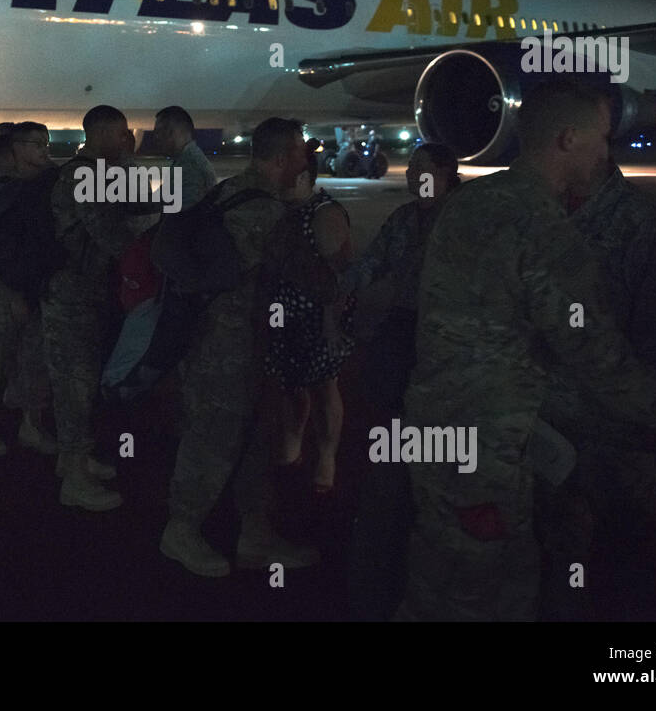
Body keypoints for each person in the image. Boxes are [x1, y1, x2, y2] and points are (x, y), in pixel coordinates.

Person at [396, 79, 656, 622]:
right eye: (601, 138)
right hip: (495, 455)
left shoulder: (468, 203)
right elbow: (603, 363)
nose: (606, 151)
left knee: (437, 582)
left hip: (437, 435)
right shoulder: (544, 229)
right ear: (568, 139)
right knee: (492, 598)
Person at [160, 117, 321, 577]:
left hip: (214, 340)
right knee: (212, 440)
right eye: (299, 152)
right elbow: (311, 277)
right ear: (280, 158)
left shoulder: (229, 190)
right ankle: (181, 529)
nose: (305, 158)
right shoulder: (269, 213)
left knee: (249, 439)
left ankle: (255, 531)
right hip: (228, 349)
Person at [536, 154, 656, 619]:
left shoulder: (642, 224)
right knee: (557, 552)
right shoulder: (539, 215)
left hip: (614, 436)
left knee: (631, 553)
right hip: (544, 427)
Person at [339, 141, 458, 620]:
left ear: (447, 173)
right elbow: (371, 264)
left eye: (421, 168)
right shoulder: (405, 220)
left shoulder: (464, 220)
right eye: (411, 168)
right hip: (406, 328)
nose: (411, 175)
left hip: (448, 335)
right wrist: (339, 290)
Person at [42, 105, 140, 511]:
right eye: (121, 135)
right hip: (74, 298)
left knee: (78, 384)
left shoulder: (92, 173)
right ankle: (75, 482)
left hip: (83, 294)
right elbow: (112, 235)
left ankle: (73, 461)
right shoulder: (87, 176)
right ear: (101, 135)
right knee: (76, 389)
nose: (126, 142)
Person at [263, 140, 354, 494]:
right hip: (286, 315)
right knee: (290, 385)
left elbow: (341, 274)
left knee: (324, 386)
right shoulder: (282, 209)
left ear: (302, 177)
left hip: (318, 317)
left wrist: (332, 322)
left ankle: (327, 457)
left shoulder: (323, 214)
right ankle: (294, 441)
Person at [0, 126, 58, 456]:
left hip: (32, 287)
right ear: (14, 151)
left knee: (33, 358)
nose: (44, 150)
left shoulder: (41, 187)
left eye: (46, 144)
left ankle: (31, 422)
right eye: (36, 145)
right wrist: (14, 293)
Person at [153, 105, 216, 210]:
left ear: (175, 131)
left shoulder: (190, 166)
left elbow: (184, 218)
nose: (156, 138)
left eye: (159, 132)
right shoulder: (187, 161)